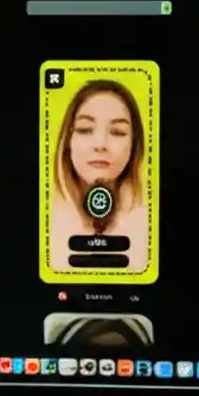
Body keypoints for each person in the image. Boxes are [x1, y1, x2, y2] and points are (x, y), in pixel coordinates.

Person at [50, 79, 148, 272]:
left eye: (118, 132)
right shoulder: (45, 225)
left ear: (134, 145)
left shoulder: (148, 230)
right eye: (85, 129)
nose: (100, 144)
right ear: (68, 140)